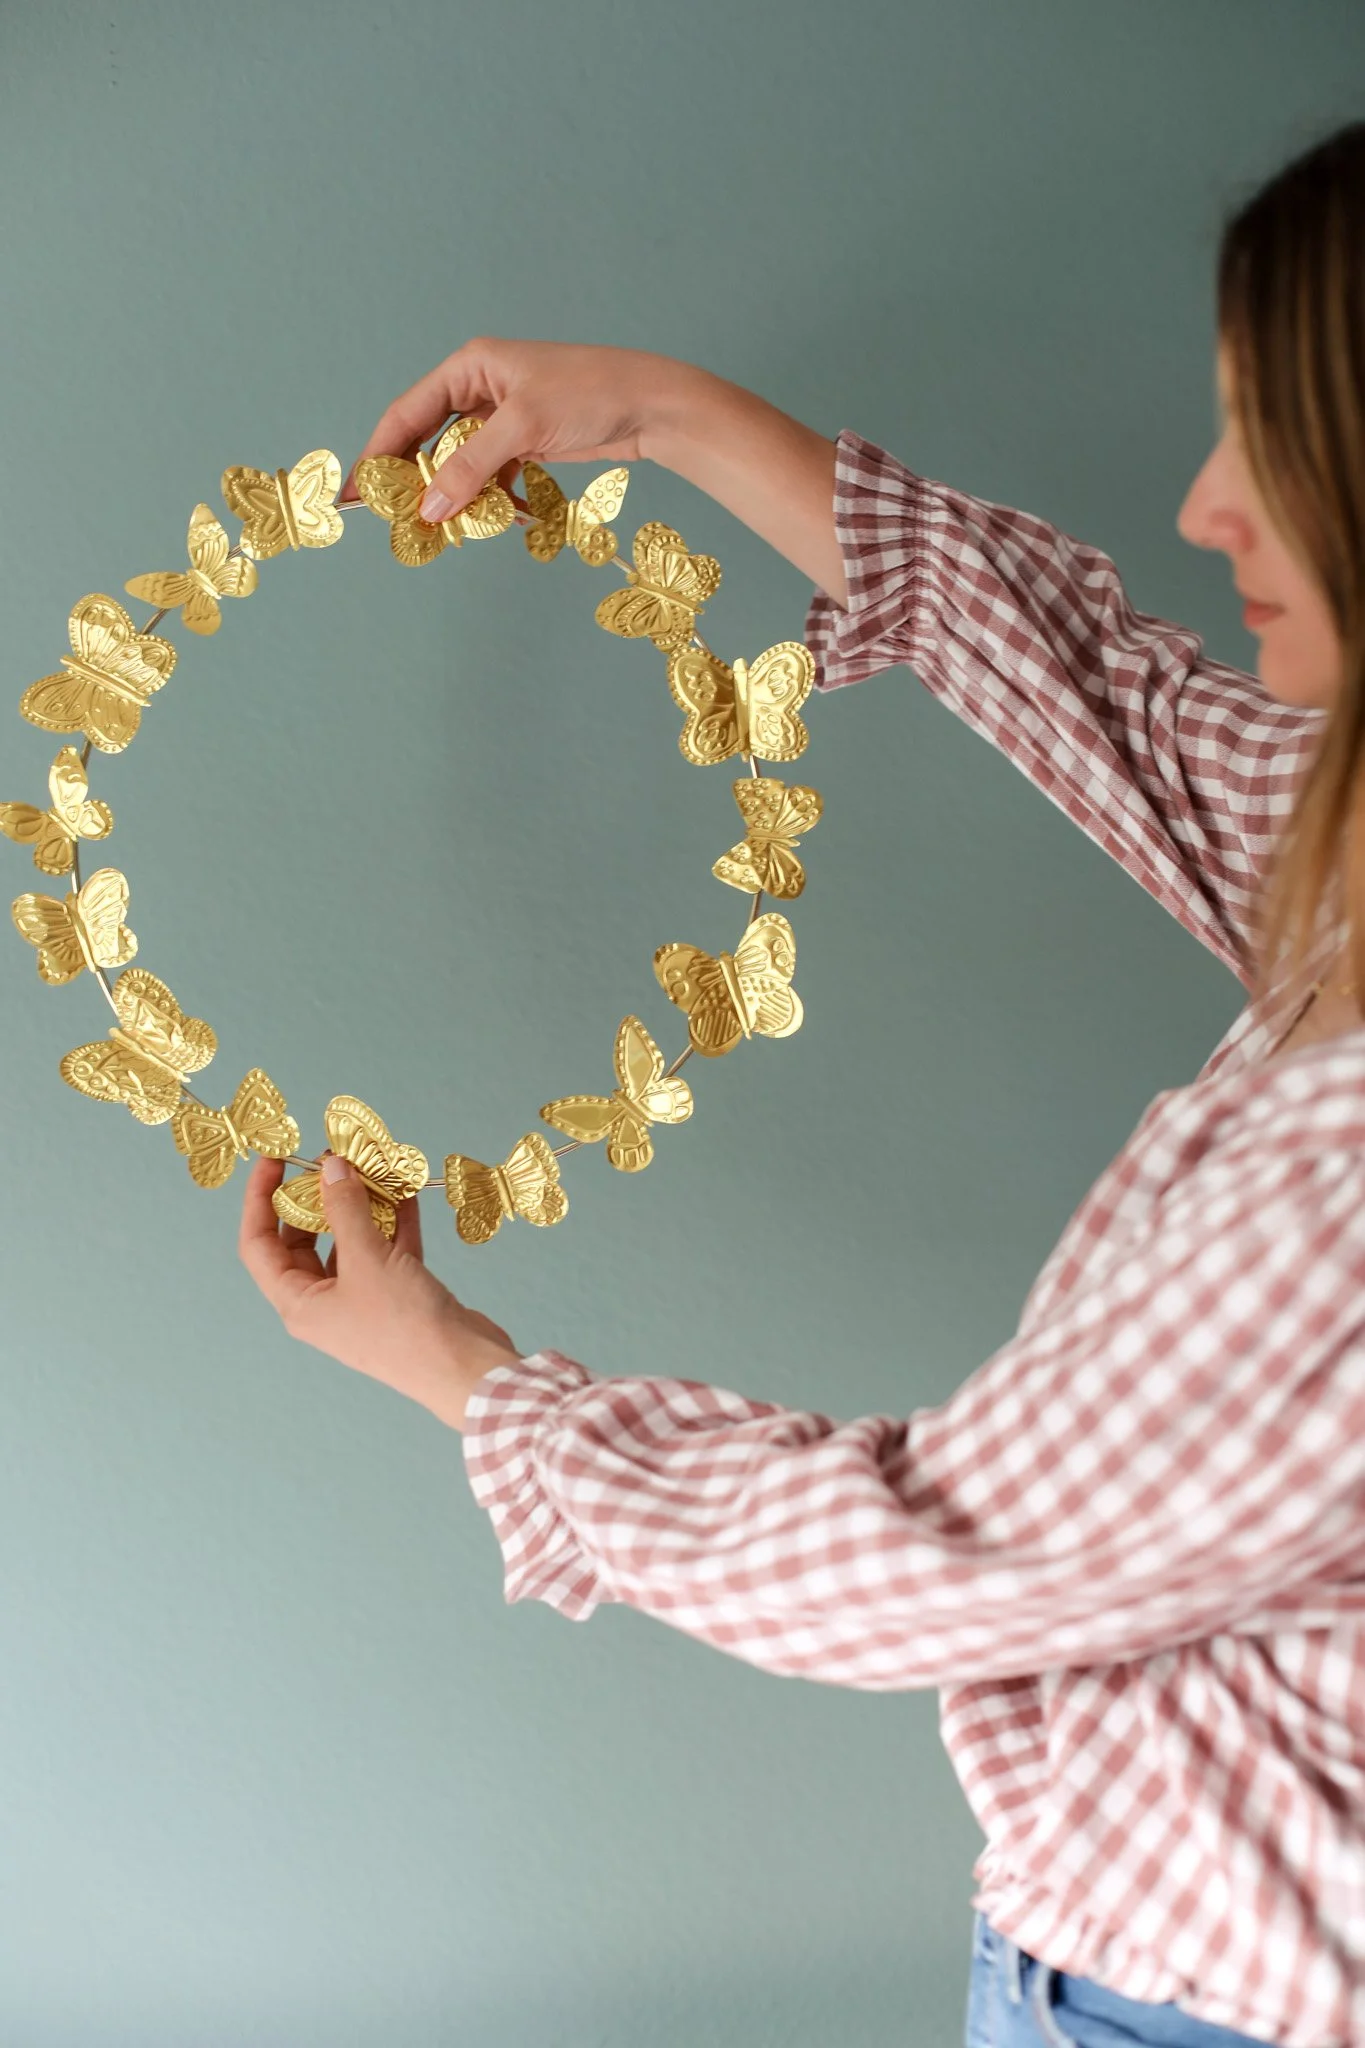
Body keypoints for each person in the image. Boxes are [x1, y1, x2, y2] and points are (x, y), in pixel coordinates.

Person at [239, 120, 1365, 2048]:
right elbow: (1125, 708)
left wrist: (456, 1370)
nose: (1205, 506)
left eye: (1276, 436)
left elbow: (919, 1551)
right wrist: (659, 416)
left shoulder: (1343, 1195)